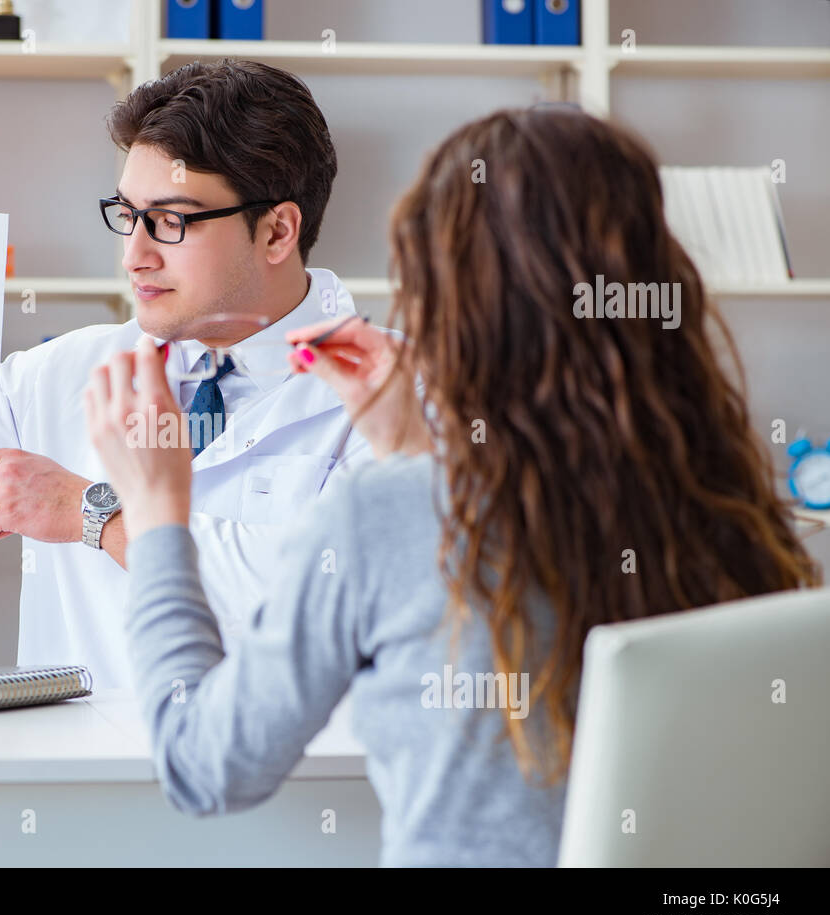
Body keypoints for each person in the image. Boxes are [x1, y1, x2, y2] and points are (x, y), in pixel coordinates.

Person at [84, 106, 821, 866]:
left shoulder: (384, 518)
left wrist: (154, 510)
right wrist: (410, 448)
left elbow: (203, 767)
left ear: (454, 302)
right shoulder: (735, 510)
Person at [0, 60, 378, 688]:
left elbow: (329, 605)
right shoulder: (59, 376)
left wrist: (92, 514)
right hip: (71, 781)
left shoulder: (403, 397)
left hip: (294, 785)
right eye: (127, 213)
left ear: (278, 230)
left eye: (171, 221)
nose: (133, 254)